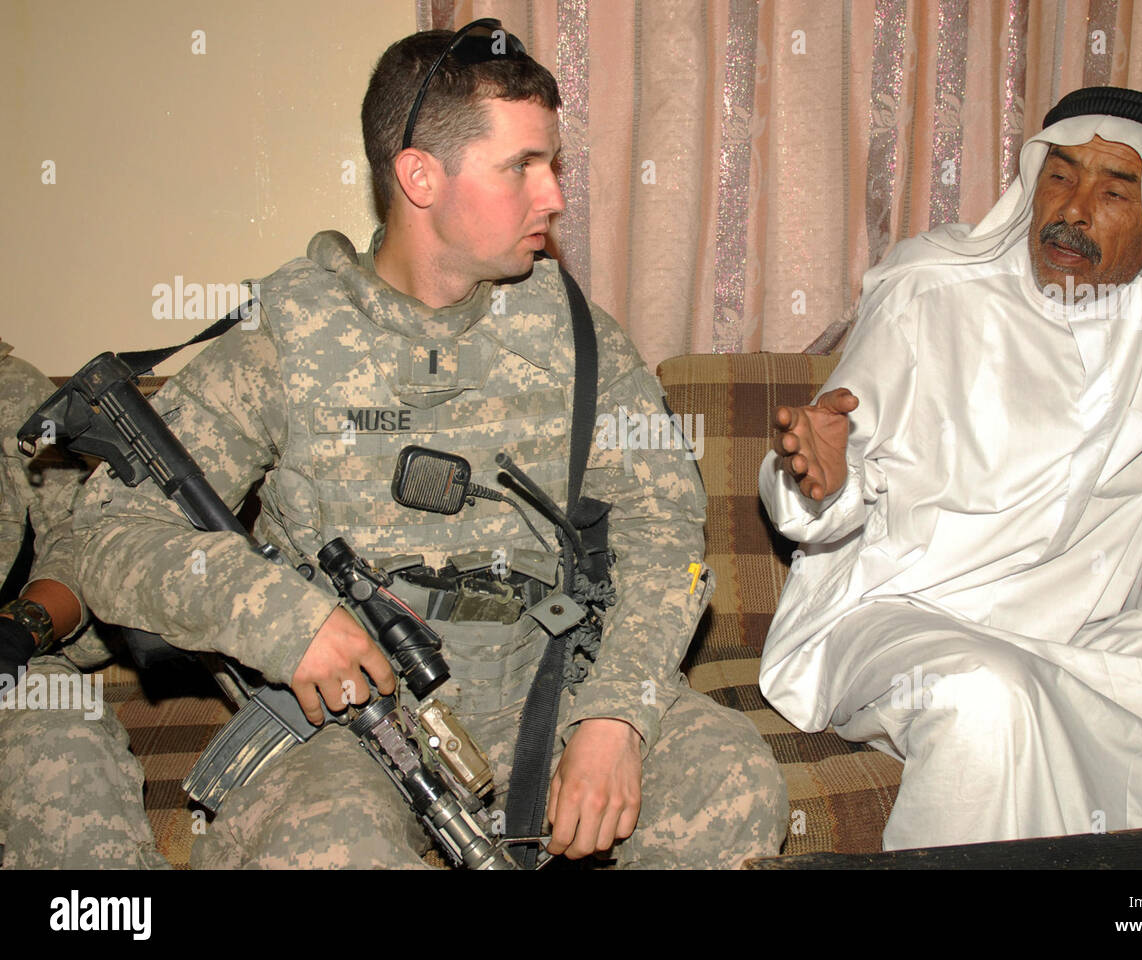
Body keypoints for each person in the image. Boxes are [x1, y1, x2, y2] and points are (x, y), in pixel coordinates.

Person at [74, 23, 785, 869]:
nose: (554, 196)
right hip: (356, 727)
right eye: (521, 166)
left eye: (553, 163)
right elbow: (102, 535)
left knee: (733, 783)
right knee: (324, 851)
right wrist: (284, 621)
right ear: (420, 175)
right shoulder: (290, 338)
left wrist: (618, 714)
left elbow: (667, 532)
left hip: (546, 694)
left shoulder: (570, 335)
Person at [762, 86, 1142, 851]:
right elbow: (827, 458)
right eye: (1060, 176)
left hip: (1089, 633)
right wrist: (814, 479)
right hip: (906, 617)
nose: (1073, 211)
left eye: (1114, 191)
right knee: (991, 697)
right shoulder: (933, 284)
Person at [0, 341, 166, 869]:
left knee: (61, 731)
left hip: (12, 665)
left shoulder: (11, 393)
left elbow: (78, 536)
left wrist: (20, 628)